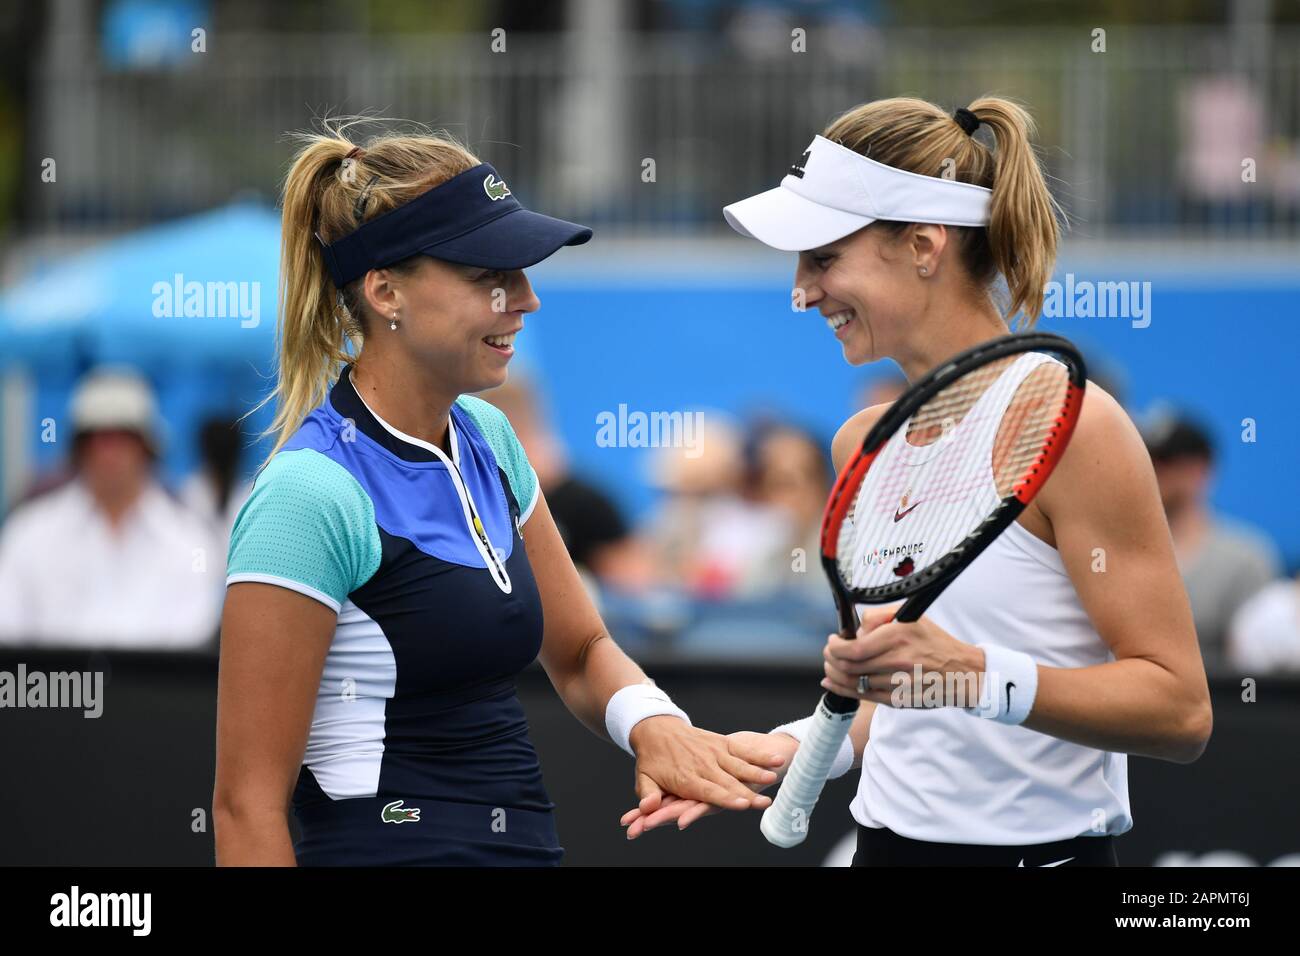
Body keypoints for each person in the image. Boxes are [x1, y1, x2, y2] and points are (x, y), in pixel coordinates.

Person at [622, 96, 1213, 866]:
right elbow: (907, 704)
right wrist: (787, 749)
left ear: (925, 245)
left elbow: (1180, 711)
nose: (801, 290)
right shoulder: (860, 443)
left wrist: (973, 673)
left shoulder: (1076, 426)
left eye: (824, 257)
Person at [212, 121, 783, 866]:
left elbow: (579, 650)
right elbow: (244, 808)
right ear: (385, 290)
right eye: (492, 274)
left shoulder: (488, 436)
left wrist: (657, 726)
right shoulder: (309, 494)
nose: (528, 299)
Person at [0, 366, 223, 649]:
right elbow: (8, 632)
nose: (110, 452)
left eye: (123, 437)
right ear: (79, 448)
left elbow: (192, 636)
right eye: (98, 437)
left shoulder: (189, 541)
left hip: (154, 690)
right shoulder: (29, 534)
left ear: (146, 447)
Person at [1142, 414, 1281, 668]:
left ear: (1202, 469)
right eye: (1144, 458)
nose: (1153, 469)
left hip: (1219, 704)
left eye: (1166, 461)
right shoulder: (1118, 548)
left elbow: (1255, 663)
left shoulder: (1245, 559)